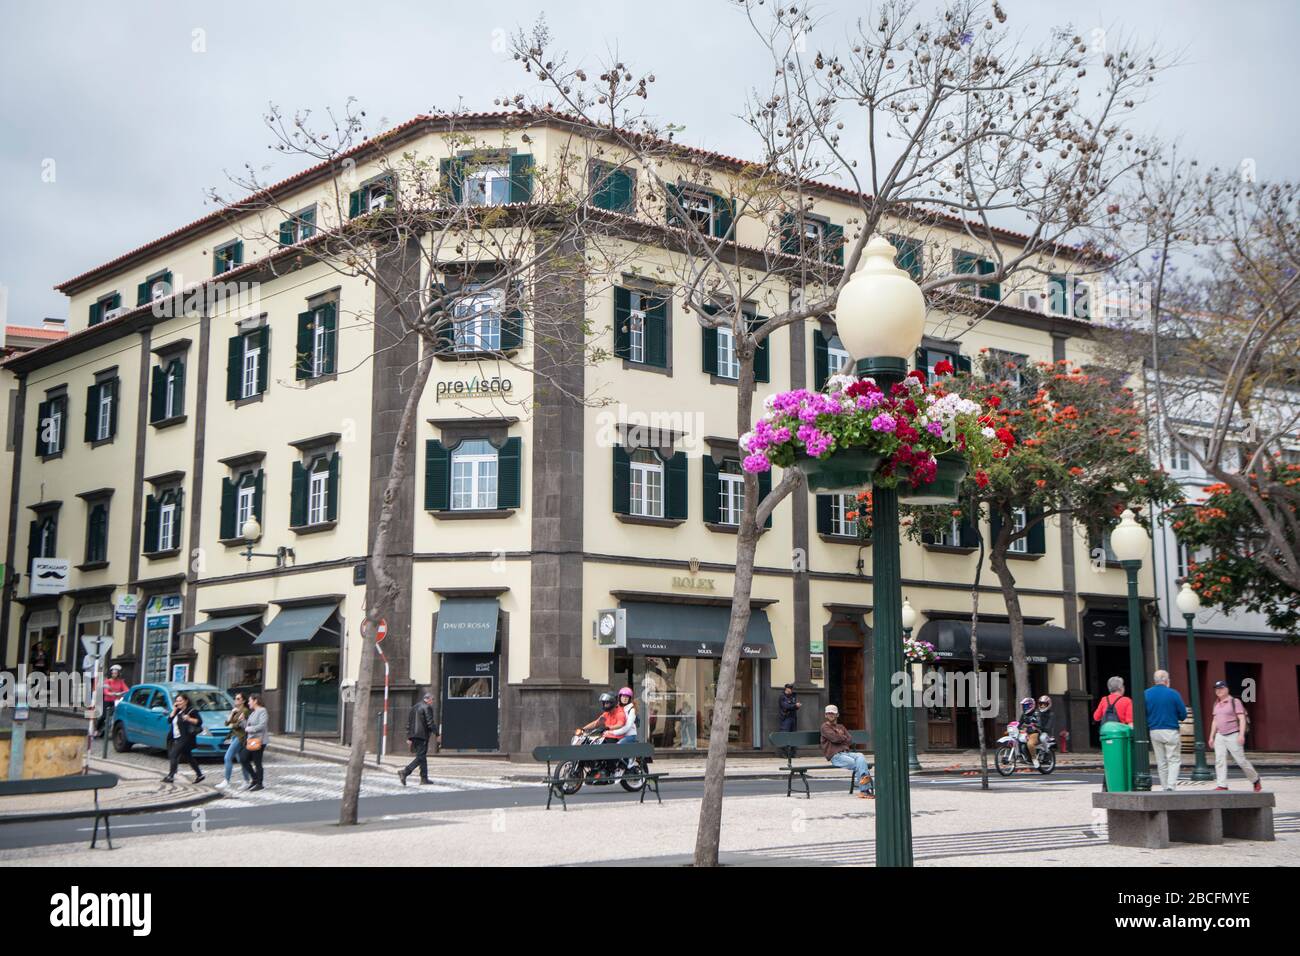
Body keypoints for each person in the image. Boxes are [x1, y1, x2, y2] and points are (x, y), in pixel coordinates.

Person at [1208, 680, 1262, 792]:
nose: (1218, 691)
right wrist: (1211, 737)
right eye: (1217, 689)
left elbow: (1242, 719)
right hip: (1220, 736)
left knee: (1241, 761)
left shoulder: (1235, 701)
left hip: (1233, 734)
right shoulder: (1216, 703)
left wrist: (1241, 735)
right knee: (1219, 760)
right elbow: (1215, 721)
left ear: (1227, 689)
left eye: (1221, 688)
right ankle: (1222, 785)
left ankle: (1255, 779)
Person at [1145, 670, 1188, 792]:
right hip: (1170, 730)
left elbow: (1142, 713)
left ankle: (1164, 786)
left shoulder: (1146, 694)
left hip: (1154, 731)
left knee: (1161, 761)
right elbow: (1183, 714)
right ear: (1166, 680)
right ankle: (1170, 786)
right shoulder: (1173, 694)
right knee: (1173, 759)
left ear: (1155, 680)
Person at [821, 705, 873, 799]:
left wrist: (840, 737)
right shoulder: (825, 727)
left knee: (860, 755)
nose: (830, 715)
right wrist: (841, 737)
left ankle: (864, 785)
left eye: (833, 713)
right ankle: (865, 790)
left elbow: (849, 740)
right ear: (825, 715)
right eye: (828, 713)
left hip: (846, 753)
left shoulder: (841, 727)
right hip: (835, 755)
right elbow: (834, 739)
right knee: (859, 764)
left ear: (837, 714)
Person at [162, 692, 204, 785]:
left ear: (186, 701)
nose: (178, 703)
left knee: (173, 754)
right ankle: (200, 775)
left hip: (185, 737)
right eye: (177, 701)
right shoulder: (177, 711)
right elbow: (169, 720)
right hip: (176, 737)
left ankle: (171, 776)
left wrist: (189, 719)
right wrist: (174, 709)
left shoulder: (192, 711)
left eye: (180, 701)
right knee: (188, 756)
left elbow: (199, 722)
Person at [399, 689, 438, 786]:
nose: (432, 702)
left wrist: (409, 737)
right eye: (432, 700)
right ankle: (405, 771)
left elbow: (409, 723)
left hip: (414, 735)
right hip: (422, 735)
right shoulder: (427, 707)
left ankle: (424, 778)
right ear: (428, 699)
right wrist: (437, 734)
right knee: (420, 757)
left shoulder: (414, 707)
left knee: (422, 757)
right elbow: (430, 723)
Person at [219, 692, 251, 791]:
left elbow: (239, 725)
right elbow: (226, 723)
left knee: (227, 757)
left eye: (238, 699)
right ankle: (247, 780)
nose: (235, 700)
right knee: (241, 760)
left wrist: (233, 724)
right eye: (235, 698)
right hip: (234, 736)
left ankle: (226, 781)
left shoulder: (245, 711)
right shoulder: (236, 710)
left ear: (243, 701)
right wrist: (232, 713)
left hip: (240, 737)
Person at [239, 693, 269, 791]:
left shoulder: (262, 711)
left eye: (250, 700)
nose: (248, 703)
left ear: (255, 700)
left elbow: (262, 726)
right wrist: (243, 720)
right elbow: (246, 727)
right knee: (243, 758)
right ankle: (255, 778)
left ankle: (259, 783)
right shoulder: (253, 712)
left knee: (257, 762)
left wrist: (250, 728)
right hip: (252, 740)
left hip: (259, 740)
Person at [97, 665, 129, 737]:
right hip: (107, 700)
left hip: (116, 701)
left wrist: (123, 693)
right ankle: (97, 729)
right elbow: (105, 692)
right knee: (103, 716)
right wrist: (112, 693)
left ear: (119, 674)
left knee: (116, 715)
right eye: (113, 673)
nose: (114, 674)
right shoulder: (107, 681)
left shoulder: (121, 682)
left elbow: (127, 690)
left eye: (116, 673)